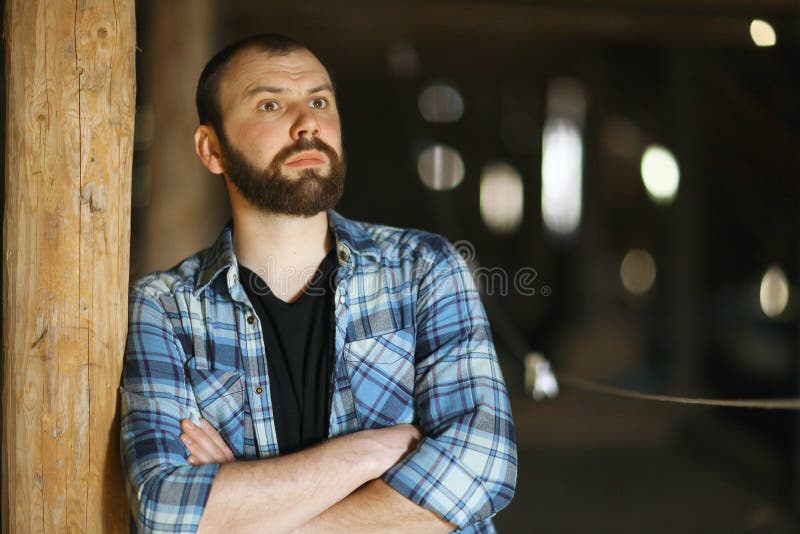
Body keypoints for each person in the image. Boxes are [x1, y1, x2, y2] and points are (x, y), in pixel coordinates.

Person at [120, 33, 517, 533]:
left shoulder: (424, 267)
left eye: (319, 101)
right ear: (212, 148)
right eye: (270, 104)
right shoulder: (164, 308)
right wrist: (369, 453)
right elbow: (164, 509)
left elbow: (481, 468)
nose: (307, 122)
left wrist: (246, 512)